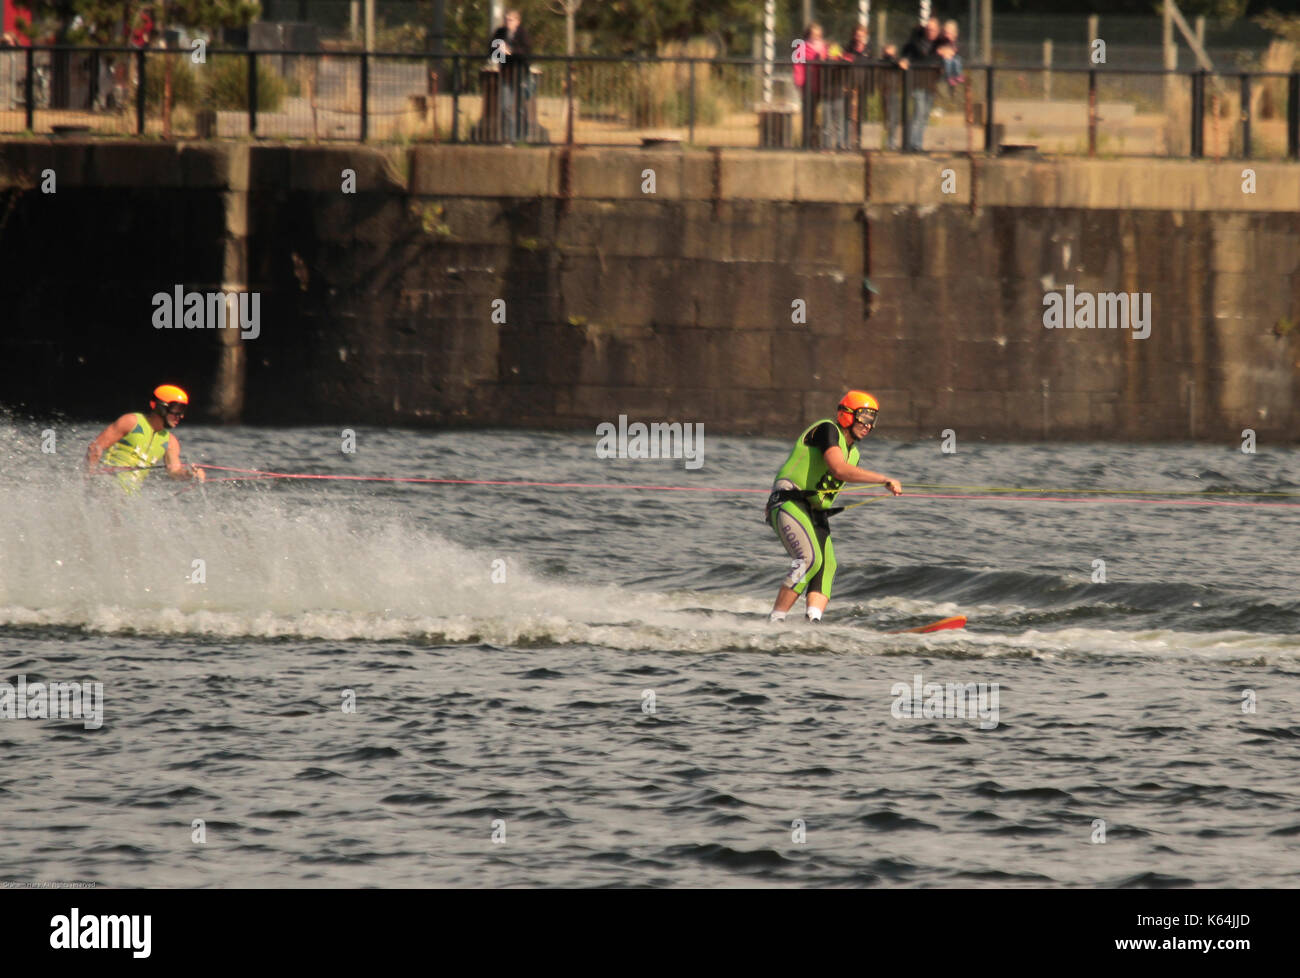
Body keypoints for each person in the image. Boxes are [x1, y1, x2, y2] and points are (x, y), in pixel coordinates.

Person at [765, 392, 902, 624]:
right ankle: (775, 621)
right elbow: (838, 469)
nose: (869, 425)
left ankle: (813, 621)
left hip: (814, 511)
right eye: (864, 417)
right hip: (788, 501)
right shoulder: (827, 429)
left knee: (828, 565)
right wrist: (883, 479)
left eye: (873, 420)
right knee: (808, 559)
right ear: (847, 415)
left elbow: (843, 471)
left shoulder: (854, 453)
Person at [86, 384, 206, 494]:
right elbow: (95, 448)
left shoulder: (170, 442)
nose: (180, 416)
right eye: (177, 410)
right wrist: (89, 481)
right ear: (161, 407)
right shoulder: (131, 422)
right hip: (104, 488)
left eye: (183, 410)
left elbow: (174, 472)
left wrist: (190, 474)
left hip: (129, 499)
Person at [897, 15, 944, 151]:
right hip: (917, 81)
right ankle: (911, 144)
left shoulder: (940, 43)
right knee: (919, 111)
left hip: (931, 84)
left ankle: (918, 143)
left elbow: (953, 50)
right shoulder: (916, 42)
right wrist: (904, 60)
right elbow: (907, 54)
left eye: (933, 30)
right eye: (929, 29)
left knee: (925, 115)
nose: (931, 32)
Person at [490, 8, 530, 142]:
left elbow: (526, 52)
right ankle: (509, 136)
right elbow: (493, 54)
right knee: (505, 106)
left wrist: (511, 51)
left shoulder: (522, 33)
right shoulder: (500, 33)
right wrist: (501, 53)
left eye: (511, 20)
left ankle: (521, 136)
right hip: (506, 73)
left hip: (520, 73)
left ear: (517, 22)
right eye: (506, 19)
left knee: (519, 107)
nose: (508, 22)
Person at [792, 23, 829, 149]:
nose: (816, 37)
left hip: (822, 84)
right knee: (808, 114)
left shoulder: (825, 47)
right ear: (808, 34)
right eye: (813, 34)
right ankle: (806, 142)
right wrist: (799, 82)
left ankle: (818, 141)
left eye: (818, 34)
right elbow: (797, 66)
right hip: (808, 85)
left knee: (822, 114)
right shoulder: (801, 46)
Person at [840, 24, 875, 149]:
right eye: (857, 34)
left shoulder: (868, 50)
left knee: (859, 114)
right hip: (849, 85)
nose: (859, 37)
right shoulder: (848, 48)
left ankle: (857, 140)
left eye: (862, 34)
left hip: (862, 86)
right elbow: (843, 65)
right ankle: (846, 141)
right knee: (847, 114)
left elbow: (872, 67)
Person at [940, 20, 965, 87]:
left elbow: (955, 50)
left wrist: (950, 52)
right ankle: (950, 77)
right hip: (946, 59)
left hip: (954, 58)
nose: (947, 35)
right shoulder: (942, 41)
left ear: (955, 34)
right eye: (946, 33)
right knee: (948, 61)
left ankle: (958, 75)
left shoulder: (956, 42)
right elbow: (941, 50)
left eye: (949, 33)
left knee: (957, 60)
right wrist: (945, 52)